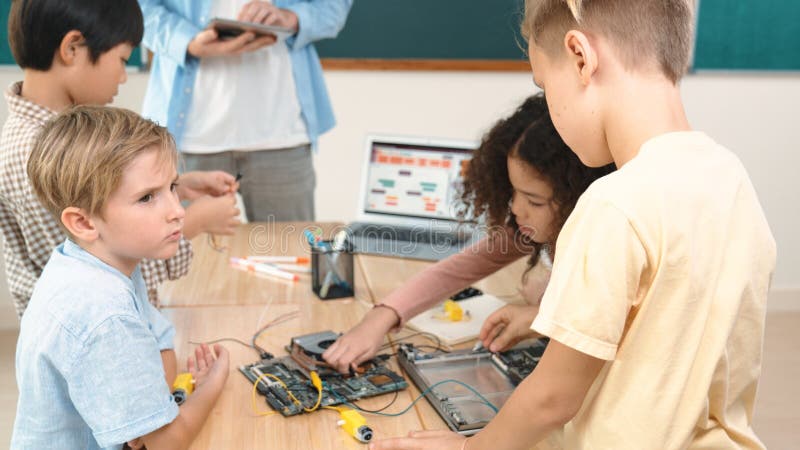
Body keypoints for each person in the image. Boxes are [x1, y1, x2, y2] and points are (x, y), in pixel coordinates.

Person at [370, 1, 776, 449]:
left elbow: (553, 399)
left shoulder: (613, 203)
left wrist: (469, 447)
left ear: (581, 57)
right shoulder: (729, 176)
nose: (549, 105)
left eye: (544, 85)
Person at [323, 94, 614, 373]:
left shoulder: (611, 242)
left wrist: (541, 316)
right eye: (513, 192)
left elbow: (616, 319)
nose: (516, 208)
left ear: (578, 196)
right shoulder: (530, 228)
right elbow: (459, 269)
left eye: (534, 201)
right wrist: (380, 317)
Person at [1, 0, 241, 316]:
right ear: (72, 48)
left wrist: (176, 187)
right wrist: (193, 222)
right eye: (122, 59)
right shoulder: (38, 153)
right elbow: (100, 273)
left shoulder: (57, 136)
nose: (124, 77)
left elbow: (102, 205)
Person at [11, 106, 229, 450]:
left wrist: (153, 404)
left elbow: (160, 351)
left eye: (172, 186)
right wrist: (212, 384)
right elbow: (165, 442)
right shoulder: (104, 313)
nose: (177, 211)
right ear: (83, 222)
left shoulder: (97, 262)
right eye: (147, 197)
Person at [139, 0, 353, 222]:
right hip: (190, 138)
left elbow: (334, 6)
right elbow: (136, 8)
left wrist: (291, 17)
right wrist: (185, 41)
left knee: (289, 244)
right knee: (182, 243)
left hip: (282, 133)